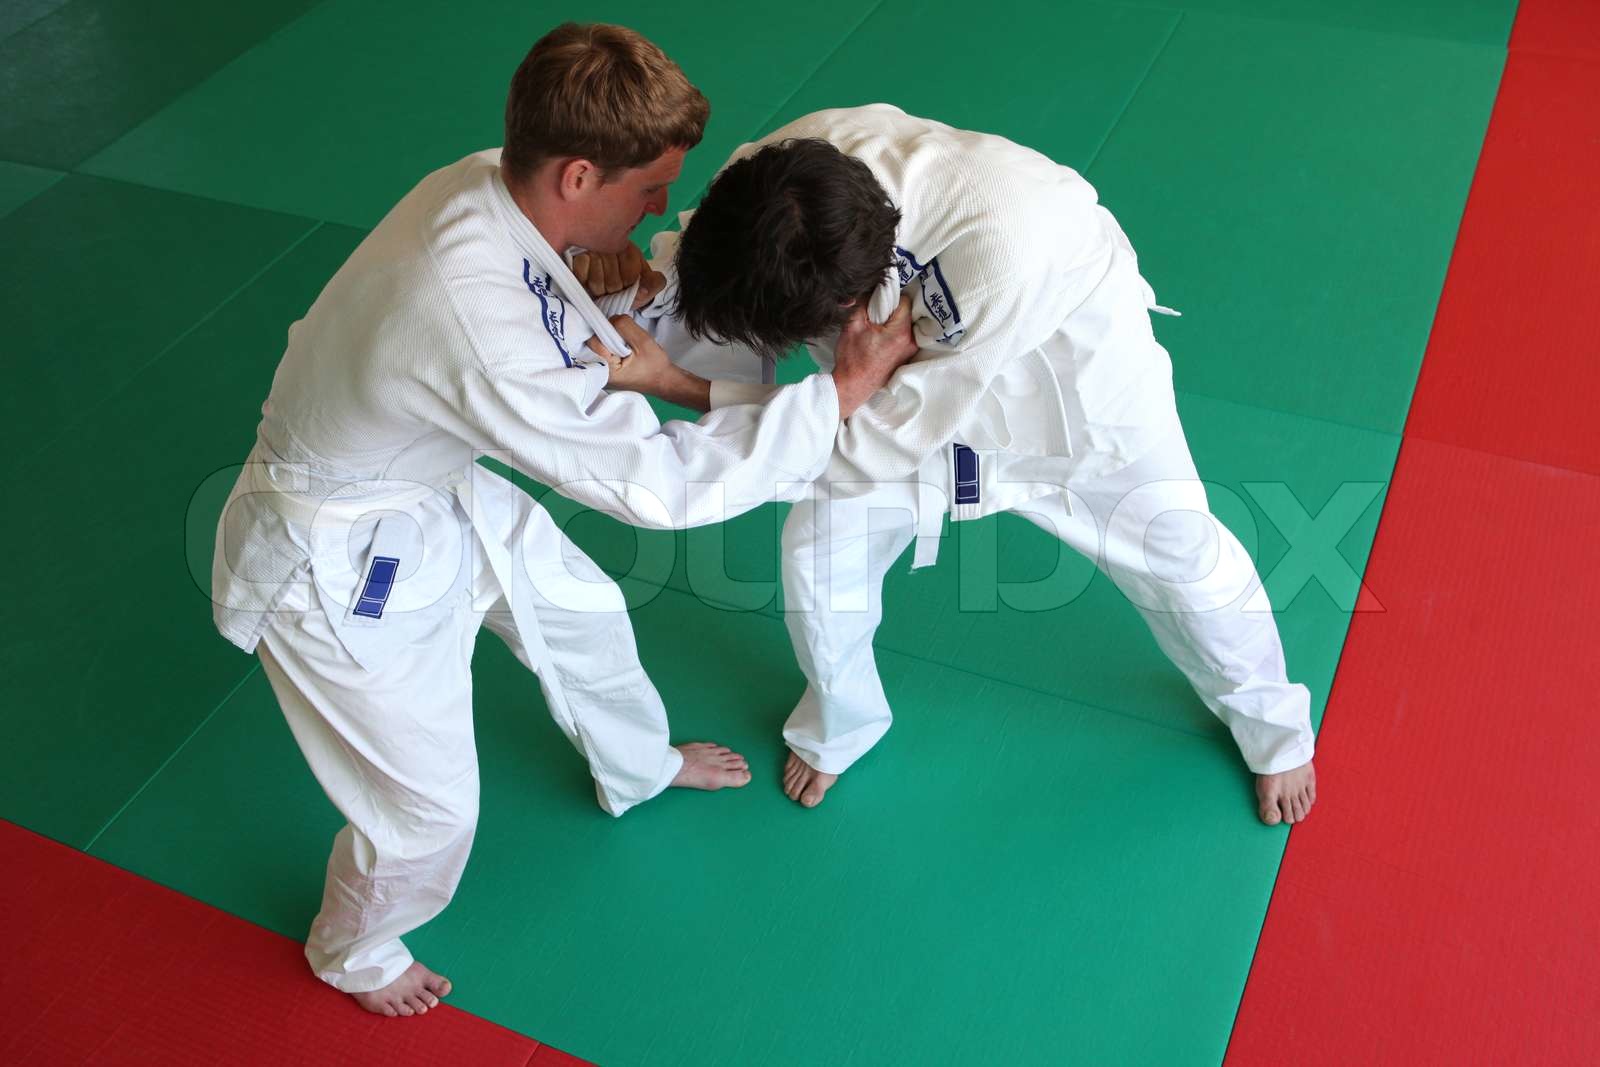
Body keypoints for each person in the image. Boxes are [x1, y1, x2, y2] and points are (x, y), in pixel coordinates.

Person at [208, 30, 916, 1018]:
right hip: (332, 558)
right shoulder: (473, 323)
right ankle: (353, 948)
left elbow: (562, 292)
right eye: (649, 189)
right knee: (426, 813)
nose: (666, 207)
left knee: (579, 606)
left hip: (426, 481)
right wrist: (832, 398)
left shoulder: (481, 183)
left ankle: (636, 765)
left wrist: (613, 266)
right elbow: (652, 484)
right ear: (577, 171)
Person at [634, 104, 1317, 827]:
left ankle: (1273, 725)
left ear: (838, 305)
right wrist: (638, 296)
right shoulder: (773, 176)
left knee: (1178, 547)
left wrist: (681, 387)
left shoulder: (1001, 254)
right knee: (818, 555)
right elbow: (693, 262)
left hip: (1069, 382)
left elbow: (865, 450)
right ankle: (846, 718)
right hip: (885, 371)